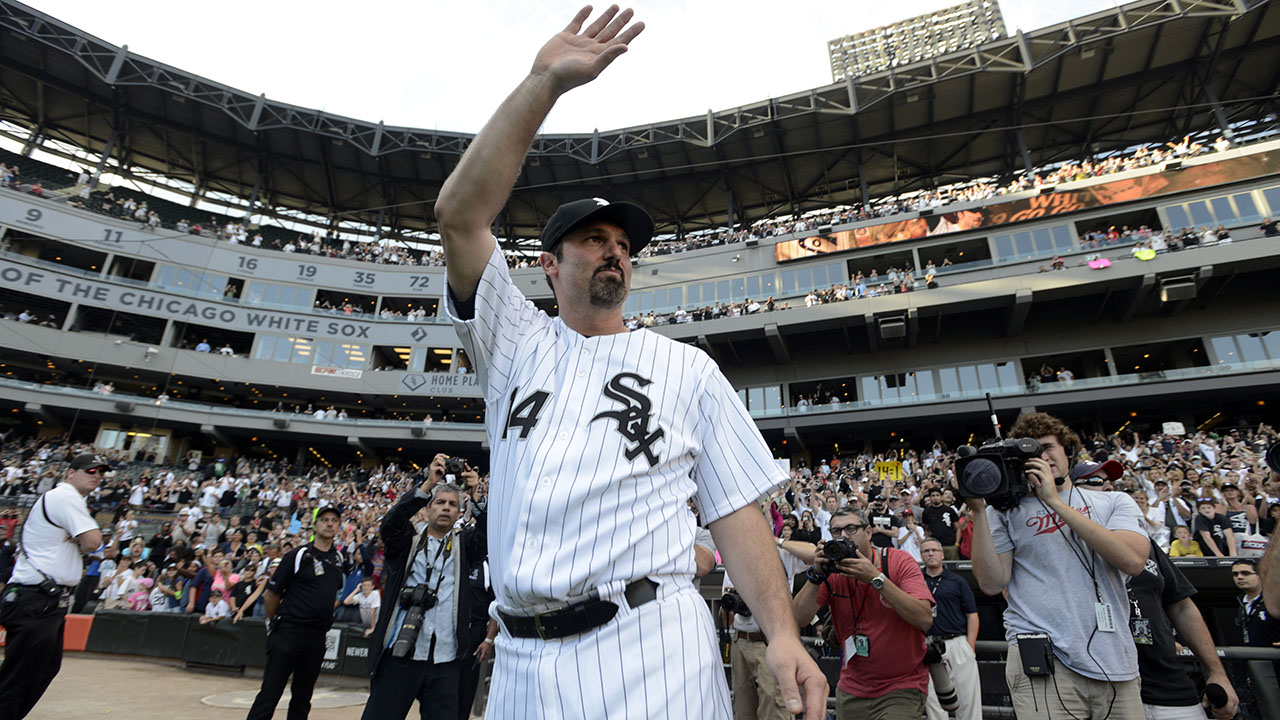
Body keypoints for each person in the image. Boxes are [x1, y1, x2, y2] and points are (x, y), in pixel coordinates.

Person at [433, 6, 826, 719]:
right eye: (592, 237)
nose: (614, 248)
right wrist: (543, 84)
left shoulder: (688, 369)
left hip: (650, 647)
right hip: (521, 660)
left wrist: (782, 633)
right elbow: (460, 216)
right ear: (549, 265)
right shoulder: (511, 340)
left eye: (622, 240)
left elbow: (736, 514)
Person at [965, 412, 1149, 719]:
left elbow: (1132, 561)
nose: (1041, 456)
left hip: (1116, 661)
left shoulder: (1114, 502)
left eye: (1048, 447)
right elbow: (991, 583)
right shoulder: (1005, 512)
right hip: (1042, 661)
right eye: (1031, 450)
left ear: (1069, 451)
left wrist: (1054, 501)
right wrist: (979, 513)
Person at [1073, 461, 1239, 719]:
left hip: (1169, 687)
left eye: (1111, 482)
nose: (1108, 486)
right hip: (1102, 689)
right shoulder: (1060, 543)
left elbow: (1182, 605)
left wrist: (1216, 671)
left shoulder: (1143, 542)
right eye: (1095, 482)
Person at [362, 457, 485, 720]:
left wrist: (476, 495)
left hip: (446, 657)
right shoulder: (406, 541)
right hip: (401, 652)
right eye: (440, 502)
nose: (446, 508)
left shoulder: (465, 546)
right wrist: (429, 483)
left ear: (459, 513)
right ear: (427, 509)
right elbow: (390, 524)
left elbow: (490, 535)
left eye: (453, 504)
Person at [792, 509, 934, 719]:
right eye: (836, 531)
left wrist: (875, 578)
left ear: (868, 532)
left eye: (851, 529)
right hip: (852, 687)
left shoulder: (898, 561)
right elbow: (799, 618)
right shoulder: (832, 571)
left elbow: (924, 619)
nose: (843, 536)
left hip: (901, 686)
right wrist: (816, 575)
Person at [0, 453, 107, 719]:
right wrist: (83, 540)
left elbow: (91, 543)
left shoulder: (69, 500)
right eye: (90, 470)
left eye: (100, 472)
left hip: (44, 600)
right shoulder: (65, 496)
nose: (96, 475)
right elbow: (94, 542)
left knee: (40, 669)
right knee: (22, 675)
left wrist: (82, 540)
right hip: (36, 598)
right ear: (70, 473)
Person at [243, 504, 344, 720]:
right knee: (270, 693)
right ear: (315, 525)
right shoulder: (298, 555)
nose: (329, 523)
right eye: (324, 519)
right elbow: (271, 594)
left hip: (316, 638)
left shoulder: (338, 559)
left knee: (302, 697)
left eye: (334, 520)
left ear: (339, 526)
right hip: (288, 632)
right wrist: (274, 621)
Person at [723, 513, 816, 720]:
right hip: (741, 641)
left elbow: (813, 554)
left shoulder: (780, 555)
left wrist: (777, 541)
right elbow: (727, 609)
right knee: (743, 712)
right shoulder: (735, 557)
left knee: (774, 711)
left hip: (770, 642)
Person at [919, 538, 981, 720]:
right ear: (921, 555)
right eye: (926, 551)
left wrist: (970, 646)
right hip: (927, 644)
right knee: (934, 704)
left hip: (956, 642)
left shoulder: (957, 581)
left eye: (934, 550)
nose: (930, 554)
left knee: (968, 699)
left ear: (942, 554)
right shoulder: (915, 580)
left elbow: (972, 615)